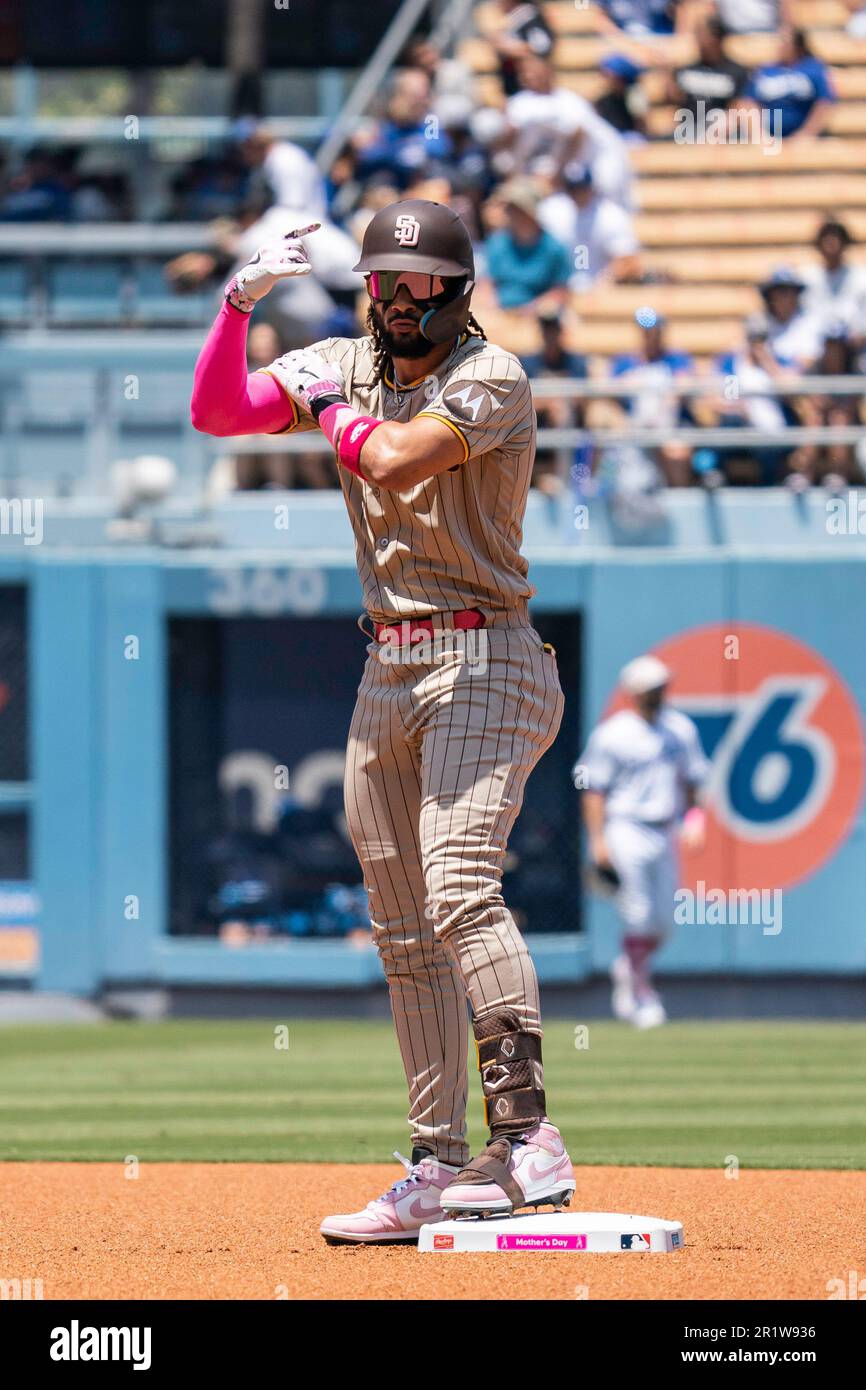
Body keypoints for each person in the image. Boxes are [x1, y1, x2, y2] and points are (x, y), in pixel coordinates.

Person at [190, 199, 575, 1243]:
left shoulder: (489, 375)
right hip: (388, 659)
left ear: (456, 291)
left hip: (485, 645)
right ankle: (437, 1163)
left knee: (456, 883)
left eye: (420, 284)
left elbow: (397, 458)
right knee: (402, 930)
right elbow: (218, 415)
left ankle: (528, 1134)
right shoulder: (344, 360)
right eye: (383, 281)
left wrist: (320, 403)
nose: (399, 300)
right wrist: (239, 303)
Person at [575, 654, 708, 1028]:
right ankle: (642, 995)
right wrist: (598, 839)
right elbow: (593, 789)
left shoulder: (679, 729)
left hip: (665, 828)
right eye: (651, 688)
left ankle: (629, 968)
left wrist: (695, 818)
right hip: (626, 826)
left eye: (662, 686)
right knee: (637, 915)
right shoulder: (613, 733)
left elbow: (695, 779)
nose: (658, 693)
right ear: (634, 692)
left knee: (664, 922)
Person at [505, 53, 634, 207]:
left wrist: (557, 173)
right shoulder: (518, 103)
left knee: (607, 206)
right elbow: (507, 138)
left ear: (549, 73)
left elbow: (579, 133)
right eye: (525, 72)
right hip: (558, 170)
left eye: (535, 72)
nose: (529, 76)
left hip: (599, 162)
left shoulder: (570, 102)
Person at [608, 309, 696, 486]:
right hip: (633, 425)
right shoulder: (625, 362)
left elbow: (685, 385)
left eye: (653, 332)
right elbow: (609, 392)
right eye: (645, 332)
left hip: (670, 425)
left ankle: (679, 499)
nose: (649, 337)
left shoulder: (676, 359)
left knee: (676, 453)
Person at [539, 161, 640, 290]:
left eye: (582, 189)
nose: (578, 194)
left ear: (591, 188)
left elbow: (628, 259)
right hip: (558, 287)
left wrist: (607, 278)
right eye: (573, 190)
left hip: (600, 289)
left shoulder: (611, 215)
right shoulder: (551, 211)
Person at [484, 178, 573, 310]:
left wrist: (532, 309)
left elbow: (561, 291)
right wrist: (493, 307)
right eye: (509, 208)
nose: (510, 213)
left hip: (539, 318)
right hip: (500, 316)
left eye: (516, 208)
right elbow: (486, 283)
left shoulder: (555, 248)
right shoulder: (496, 243)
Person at [743, 27, 836, 141]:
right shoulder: (765, 70)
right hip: (767, 137)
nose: (780, 46)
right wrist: (759, 135)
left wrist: (806, 134)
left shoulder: (813, 69)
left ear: (798, 46)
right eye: (779, 42)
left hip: (804, 137)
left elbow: (824, 102)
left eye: (785, 42)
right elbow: (749, 103)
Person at [669, 15, 749, 125]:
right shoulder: (684, 70)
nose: (700, 40)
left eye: (704, 35)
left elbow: (741, 107)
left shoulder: (736, 72)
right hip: (688, 129)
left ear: (717, 39)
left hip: (723, 131)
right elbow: (674, 102)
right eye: (699, 35)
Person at [800, 217, 866, 348]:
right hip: (817, 349)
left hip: (855, 348)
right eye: (827, 239)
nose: (831, 243)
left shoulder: (861, 277)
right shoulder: (806, 278)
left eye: (836, 238)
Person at [482, 0, 555, 97]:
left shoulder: (530, 17)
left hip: (533, 92)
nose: (497, 3)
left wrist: (511, 47)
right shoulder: (512, 21)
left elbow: (542, 48)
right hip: (512, 87)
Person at [759, 265, 824, 368]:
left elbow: (808, 360)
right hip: (767, 380)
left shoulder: (809, 322)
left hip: (803, 382)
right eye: (779, 292)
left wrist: (777, 371)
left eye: (788, 292)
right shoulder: (760, 322)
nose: (784, 298)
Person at [594, 54, 647, 139]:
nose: (604, 79)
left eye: (608, 75)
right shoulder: (602, 101)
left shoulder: (633, 97)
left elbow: (641, 125)